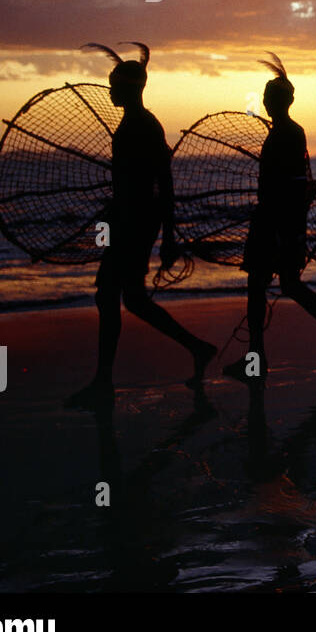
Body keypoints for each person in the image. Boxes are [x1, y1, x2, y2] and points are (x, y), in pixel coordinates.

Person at [67, 42, 216, 407]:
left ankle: (104, 383)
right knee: (130, 298)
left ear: (132, 88)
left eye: (116, 85)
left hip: (136, 224)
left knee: (109, 295)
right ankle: (197, 348)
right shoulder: (132, 123)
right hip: (129, 220)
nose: (111, 90)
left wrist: (169, 237)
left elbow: (164, 183)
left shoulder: (145, 126)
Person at [226, 53, 316, 380]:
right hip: (276, 221)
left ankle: (258, 361)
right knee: (287, 285)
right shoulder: (283, 131)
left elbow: (294, 186)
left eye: (274, 97)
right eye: (267, 96)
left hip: (277, 223)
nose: (268, 102)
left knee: (264, 286)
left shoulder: (289, 133)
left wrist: (285, 231)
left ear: (288, 100)